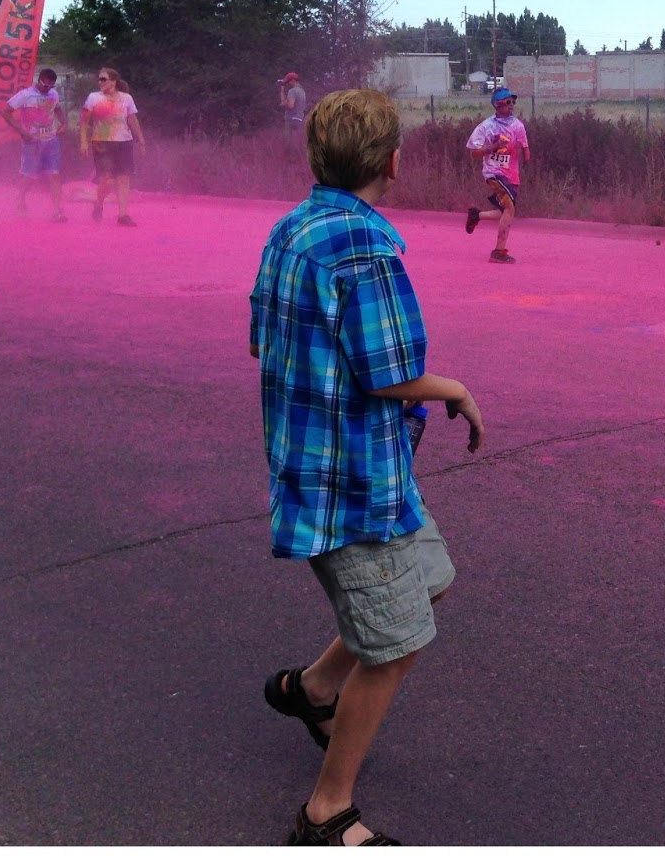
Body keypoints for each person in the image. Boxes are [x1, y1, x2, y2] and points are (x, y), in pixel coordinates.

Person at [250, 87, 485, 847]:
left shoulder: (291, 229)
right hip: (350, 483)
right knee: (396, 643)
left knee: (431, 580)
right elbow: (389, 372)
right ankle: (327, 814)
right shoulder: (365, 248)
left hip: (343, 468)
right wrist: (454, 388)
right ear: (392, 161)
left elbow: (262, 340)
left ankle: (312, 689)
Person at [463, 87, 531, 263]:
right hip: (493, 173)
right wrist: (491, 148)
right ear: (497, 104)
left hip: (511, 174)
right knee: (510, 209)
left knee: (504, 211)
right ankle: (498, 252)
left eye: (513, 102)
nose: (512, 106)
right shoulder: (486, 127)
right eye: (508, 102)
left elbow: (525, 148)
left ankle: (476, 215)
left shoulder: (517, 125)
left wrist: (527, 159)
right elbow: (473, 153)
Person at [0, 67, 69, 221]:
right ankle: (20, 199)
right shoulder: (25, 95)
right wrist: (20, 131)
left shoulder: (53, 94)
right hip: (32, 141)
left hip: (51, 140)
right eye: (45, 85)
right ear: (39, 80)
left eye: (51, 86)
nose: (48, 89)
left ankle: (57, 211)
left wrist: (64, 123)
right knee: (30, 176)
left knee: (54, 174)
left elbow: (57, 109)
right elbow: (5, 112)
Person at [80, 68, 146, 226]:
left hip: (124, 142)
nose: (100, 82)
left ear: (113, 81)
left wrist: (141, 139)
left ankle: (123, 215)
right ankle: (98, 202)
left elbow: (132, 120)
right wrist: (83, 141)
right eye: (99, 79)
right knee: (107, 179)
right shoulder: (93, 98)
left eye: (104, 79)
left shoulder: (126, 98)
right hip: (101, 142)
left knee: (124, 178)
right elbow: (84, 122)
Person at [279, 72, 307, 143]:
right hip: (300, 119)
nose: (288, 83)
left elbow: (291, 105)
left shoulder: (292, 91)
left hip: (291, 119)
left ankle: (287, 153)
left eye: (289, 81)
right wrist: (282, 89)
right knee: (297, 142)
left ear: (293, 80)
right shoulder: (302, 91)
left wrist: (284, 104)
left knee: (287, 142)